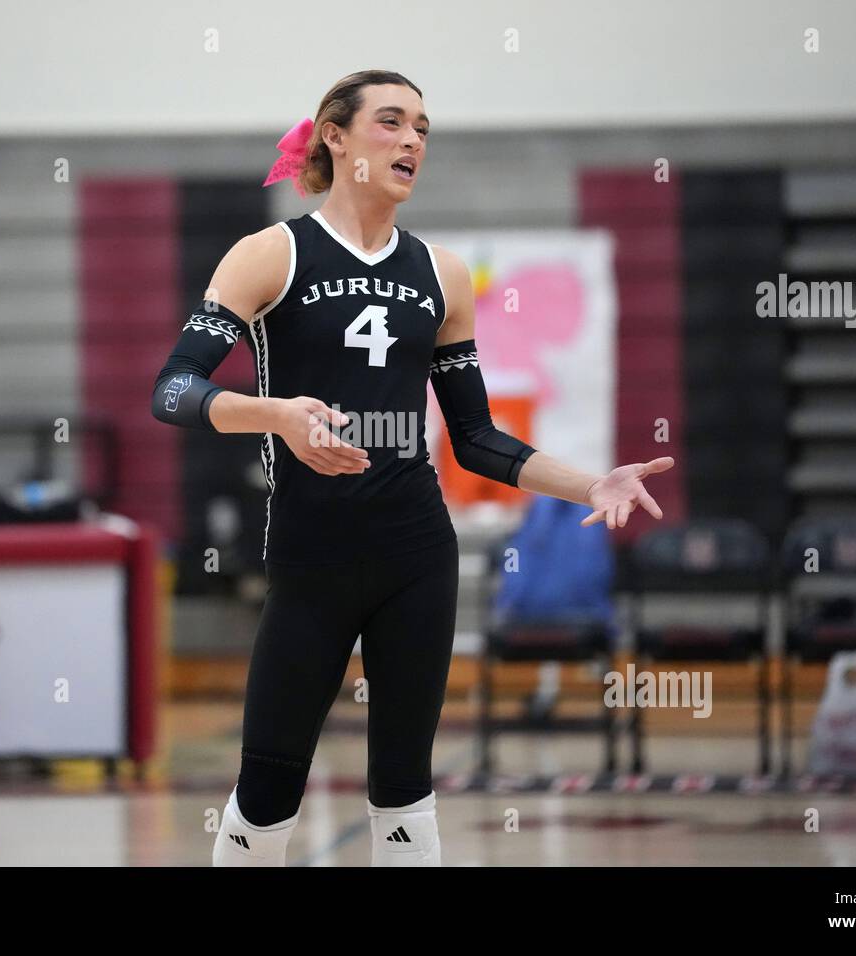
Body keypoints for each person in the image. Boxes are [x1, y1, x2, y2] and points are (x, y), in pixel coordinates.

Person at [151, 70, 673, 867]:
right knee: (267, 789)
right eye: (392, 122)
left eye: (423, 128)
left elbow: (477, 440)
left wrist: (589, 485)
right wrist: (276, 415)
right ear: (336, 135)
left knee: (404, 791)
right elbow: (173, 388)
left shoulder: (442, 275)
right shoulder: (270, 254)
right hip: (311, 558)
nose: (412, 141)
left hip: (415, 557)